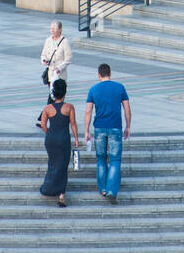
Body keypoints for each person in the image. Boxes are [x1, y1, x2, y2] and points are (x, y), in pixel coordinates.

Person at [84, 64, 131, 205]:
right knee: (115, 160)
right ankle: (111, 191)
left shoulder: (93, 89)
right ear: (110, 73)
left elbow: (88, 111)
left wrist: (86, 131)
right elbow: (127, 109)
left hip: (99, 128)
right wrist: (128, 126)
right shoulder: (120, 87)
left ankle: (103, 189)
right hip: (116, 127)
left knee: (101, 159)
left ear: (99, 74)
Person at [39, 77, 79, 207]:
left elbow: (43, 124)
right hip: (63, 138)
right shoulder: (69, 107)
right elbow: (73, 124)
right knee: (63, 166)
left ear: (53, 93)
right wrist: (77, 140)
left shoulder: (47, 108)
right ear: (65, 92)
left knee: (52, 162)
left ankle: (48, 187)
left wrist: (49, 133)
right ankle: (61, 194)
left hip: (51, 138)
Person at [38, 20, 72, 125]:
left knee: (56, 97)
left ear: (60, 30)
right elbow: (43, 55)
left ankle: (44, 118)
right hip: (50, 74)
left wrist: (60, 67)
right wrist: (44, 61)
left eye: (54, 29)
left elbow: (68, 58)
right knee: (53, 97)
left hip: (60, 75)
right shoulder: (48, 40)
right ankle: (46, 118)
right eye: (51, 29)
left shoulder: (65, 42)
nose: (52, 31)